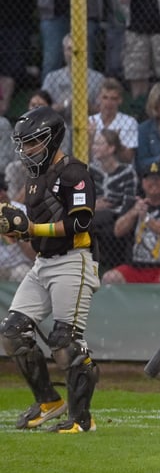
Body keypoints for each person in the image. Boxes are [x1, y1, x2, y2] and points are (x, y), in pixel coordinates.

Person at [0, 105, 101, 432]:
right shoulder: (33, 177)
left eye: (33, 142)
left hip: (75, 260)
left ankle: (82, 420)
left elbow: (80, 222)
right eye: (24, 144)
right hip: (43, 263)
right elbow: (32, 229)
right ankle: (48, 401)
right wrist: (15, 232)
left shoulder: (74, 172)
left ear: (52, 138)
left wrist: (31, 229)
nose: (27, 150)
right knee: (12, 333)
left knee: (64, 342)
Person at [102, 160, 160, 285]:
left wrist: (147, 218)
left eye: (158, 179)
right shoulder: (133, 204)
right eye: (149, 179)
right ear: (143, 182)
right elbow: (118, 230)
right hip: (134, 268)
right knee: (109, 278)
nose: (153, 183)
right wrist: (134, 212)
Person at [88, 129, 139, 268]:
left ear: (111, 148)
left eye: (99, 144)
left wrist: (108, 207)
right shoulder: (90, 170)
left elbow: (128, 201)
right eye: (94, 144)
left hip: (116, 217)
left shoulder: (127, 172)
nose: (94, 147)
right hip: (93, 215)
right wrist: (93, 206)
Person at [41, 33, 105, 123]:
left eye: (78, 49)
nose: (73, 53)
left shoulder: (98, 78)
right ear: (64, 51)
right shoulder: (51, 78)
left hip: (89, 126)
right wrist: (66, 104)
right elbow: (41, 109)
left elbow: (104, 111)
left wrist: (86, 105)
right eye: (69, 49)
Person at [88, 78, 138, 164]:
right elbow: (83, 159)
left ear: (120, 100)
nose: (108, 103)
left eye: (113, 99)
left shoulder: (130, 122)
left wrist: (116, 142)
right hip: (94, 171)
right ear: (99, 99)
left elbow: (128, 158)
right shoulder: (90, 121)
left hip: (120, 170)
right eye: (105, 98)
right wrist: (90, 139)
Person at [0, 161, 35, 282]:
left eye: (4, 189)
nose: (3, 194)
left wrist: (18, 234)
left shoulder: (22, 212)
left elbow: (35, 255)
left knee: (24, 273)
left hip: (18, 266)